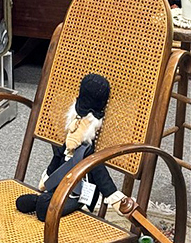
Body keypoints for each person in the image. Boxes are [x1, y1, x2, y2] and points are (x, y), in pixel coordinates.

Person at [15, 73, 124, 221]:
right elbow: (56, 160)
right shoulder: (66, 146)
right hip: (57, 188)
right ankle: (42, 201)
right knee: (29, 202)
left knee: (46, 206)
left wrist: (114, 197)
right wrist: (46, 178)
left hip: (76, 195)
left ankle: (43, 202)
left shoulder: (87, 154)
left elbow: (101, 176)